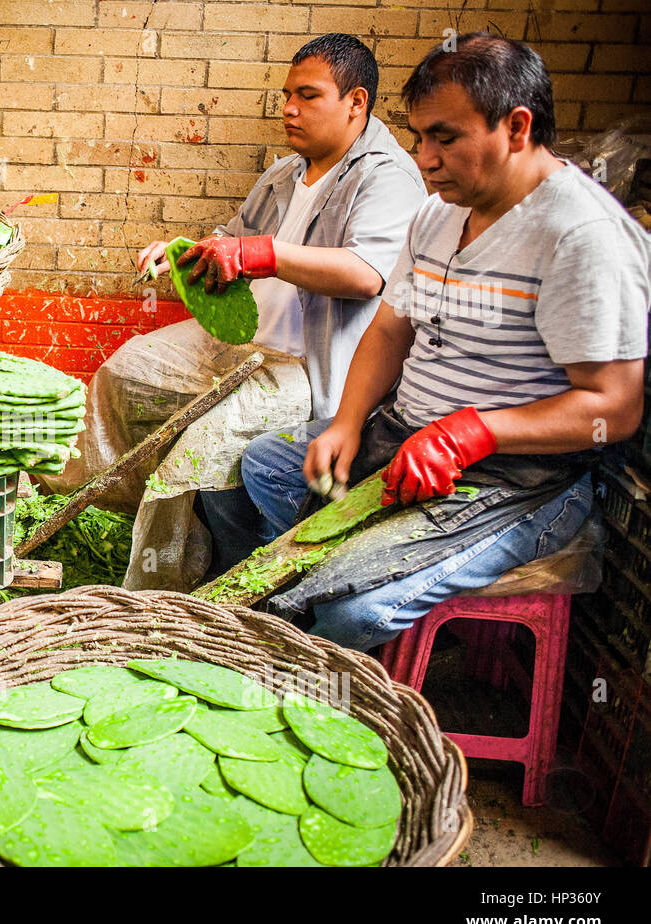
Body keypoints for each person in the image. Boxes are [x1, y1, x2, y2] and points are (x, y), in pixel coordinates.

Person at [239, 32, 650, 651]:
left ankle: (342, 657)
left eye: (445, 138)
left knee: (353, 609)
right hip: (404, 437)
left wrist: (471, 431)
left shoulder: (582, 235)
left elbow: (614, 408)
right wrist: (349, 422)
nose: (425, 158)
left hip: (519, 480)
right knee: (267, 466)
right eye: (420, 136)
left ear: (516, 126)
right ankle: (330, 589)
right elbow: (390, 327)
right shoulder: (438, 215)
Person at [45, 33, 427, 588]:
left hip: (306, 369)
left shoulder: (386, 178)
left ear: (357, 102)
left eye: (308, 95)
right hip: (239, 345)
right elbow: (229, 240)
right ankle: (104, 512)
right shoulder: (285, 174)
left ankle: (184, 585)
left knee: (203, 450)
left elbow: (367, 274)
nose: (289, 109)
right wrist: (182, 253)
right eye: (286, 95)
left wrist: (260, 254)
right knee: (125, 373)